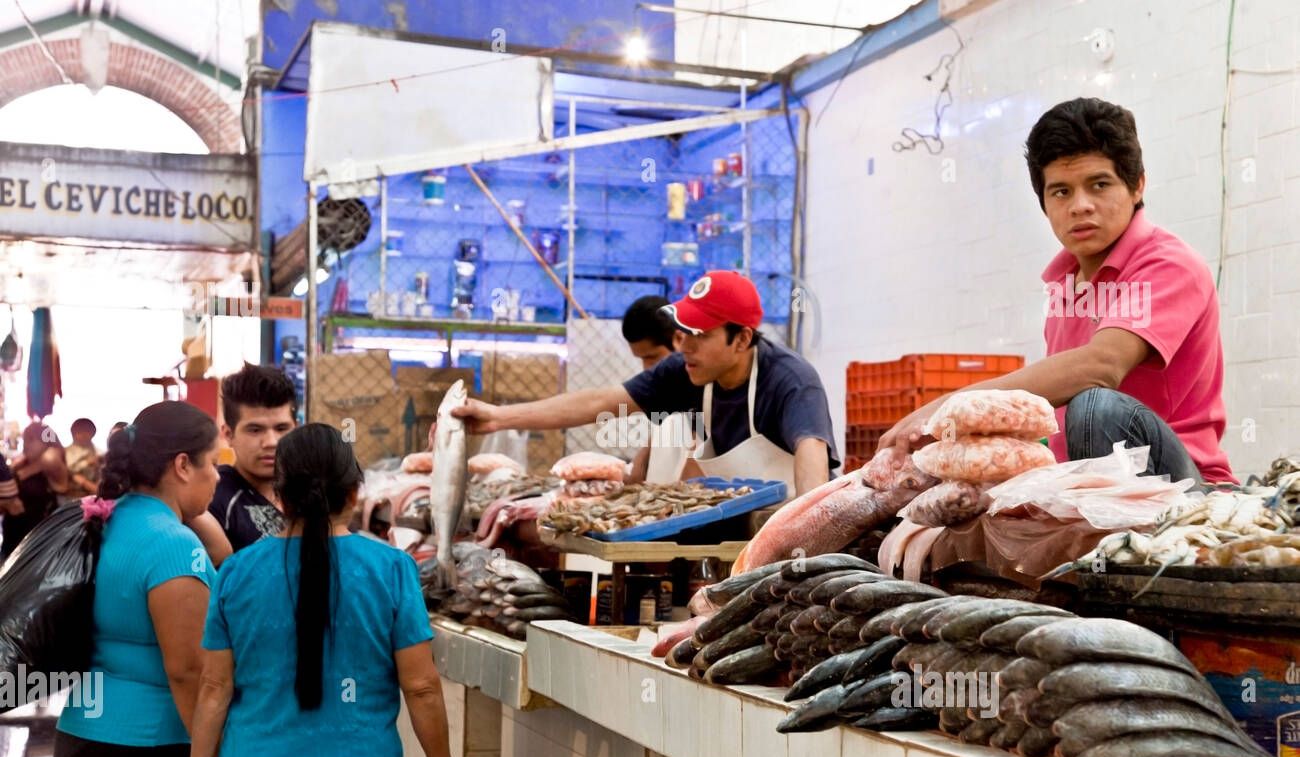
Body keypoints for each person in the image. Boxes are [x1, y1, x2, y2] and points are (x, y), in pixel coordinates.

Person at [881, 98, 1234, 485]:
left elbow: (1101, 367)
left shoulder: (1168, 263)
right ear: (1044, 203)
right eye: (1061, 192)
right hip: (1082, 482)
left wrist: (948, 408)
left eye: (1099, 185)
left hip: (1184, 487)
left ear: (1137, 187)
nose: (1080, 206)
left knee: (1094, 406)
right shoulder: (1064, 281)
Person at [185, 423, 463, 757]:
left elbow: (214, 689)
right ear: (354, 493)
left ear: (280, 495)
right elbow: (422, 688)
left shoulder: (236, 573)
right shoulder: (392, 571)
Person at [457, 271, 840, 498]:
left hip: (792, 525)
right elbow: (597, 402)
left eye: (700, 335)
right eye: (683, 332)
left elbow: (813, 471)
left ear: (740, 339)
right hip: (740, 523)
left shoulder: (791, 382)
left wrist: (806, 558)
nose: (685, 346)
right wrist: (497, 417)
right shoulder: (686, 370)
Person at [38, 402, 223, 757]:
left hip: (83, 736)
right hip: (147, 756)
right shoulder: (173, 545)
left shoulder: (104, 520)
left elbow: (224, 554)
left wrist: (180, 509)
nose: (219, 478)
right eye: (214, 464)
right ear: (183, 465)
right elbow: (187, 673)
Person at [208, 362, 297, 551]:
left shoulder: (312, 490)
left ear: (295, 428)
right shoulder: (213, 498)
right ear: (228, 434)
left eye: (282, 429)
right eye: (255, 430)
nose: (271, 442)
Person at [620, 294, 692, 483]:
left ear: (679, 338)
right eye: (641, 359)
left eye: (651, 357)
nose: (646, 367)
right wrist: (639, 465)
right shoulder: (666, 385)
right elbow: (663, 424)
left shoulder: (700, 378)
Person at [1, 421, 67, 562]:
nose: (26, 444)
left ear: (46, 442)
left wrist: (52, 445)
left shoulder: (52, 465)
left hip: (38, 547)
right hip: (12, 540)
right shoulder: (19, 465)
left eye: (31, 439)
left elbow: (51, 457)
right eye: (25, 439)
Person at [64, 417, 101, 499]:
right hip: (74, 493)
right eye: (80, 432)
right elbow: (70, 469)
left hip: (93, 492)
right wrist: (87, 462)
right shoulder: (69, 451)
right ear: (74, 433)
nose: (85, 435)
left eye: (88, 432)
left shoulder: (96, 451)